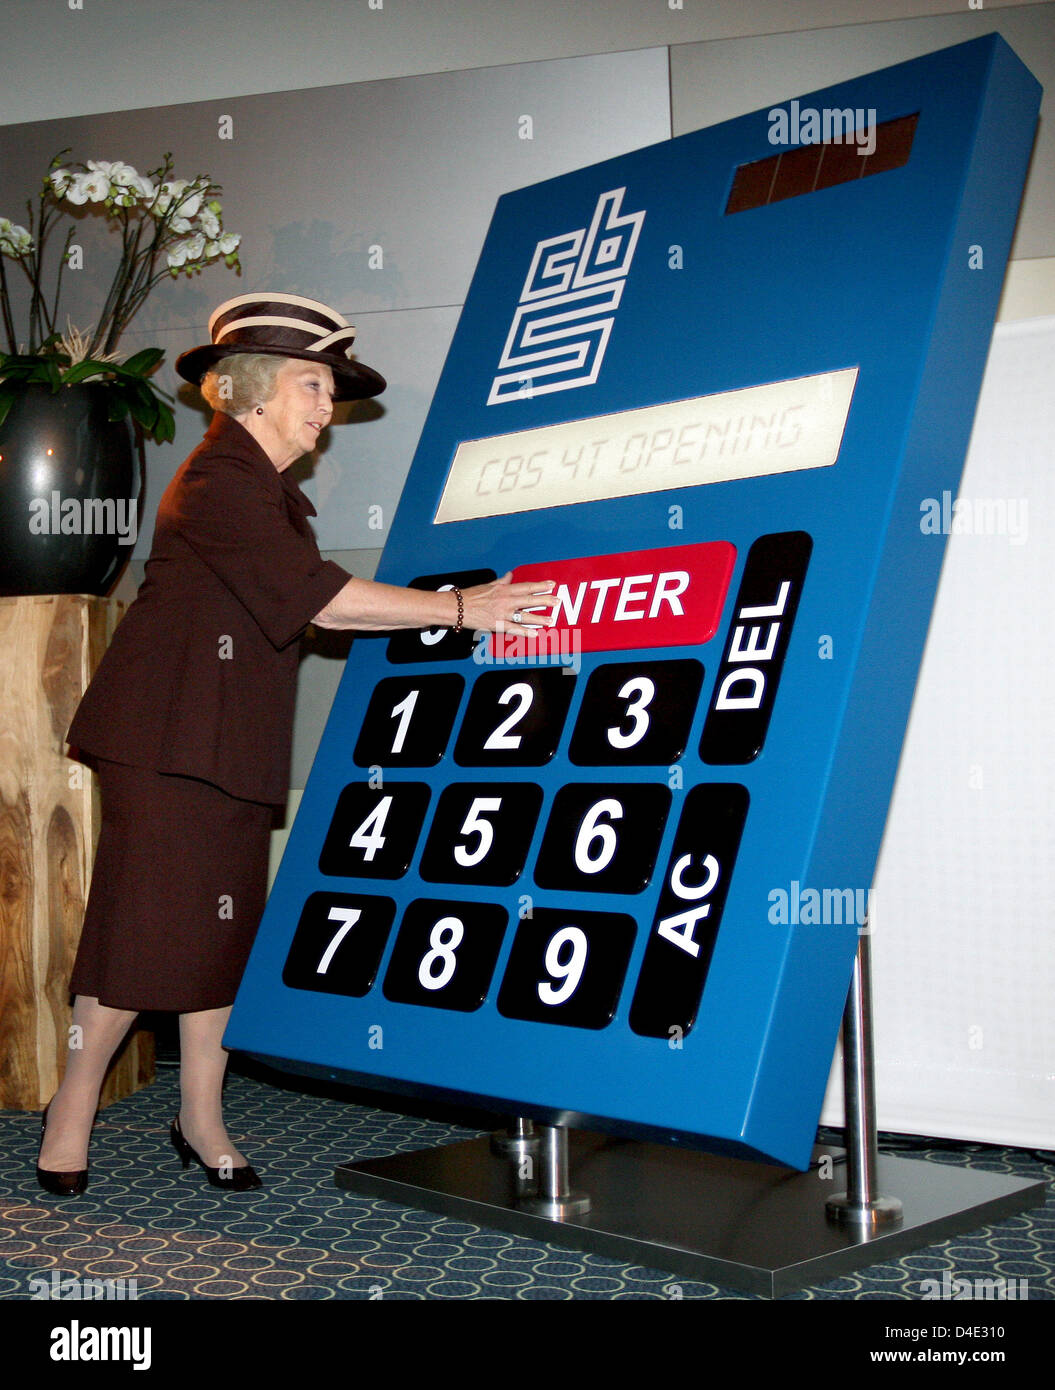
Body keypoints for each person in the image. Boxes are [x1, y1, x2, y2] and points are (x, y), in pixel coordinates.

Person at [37, 292, 555, 1196]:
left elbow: (308, 598)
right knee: (142, 932)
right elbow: (321, 599)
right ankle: (71, 1107)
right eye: (311, 385)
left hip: (228, 744)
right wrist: (465, 608)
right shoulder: (218, 482)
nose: (327, 408)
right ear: (246, 392)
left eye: (330, 391)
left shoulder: (268, 492)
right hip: (168, 743)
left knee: (217, 938)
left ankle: (199, 1114)